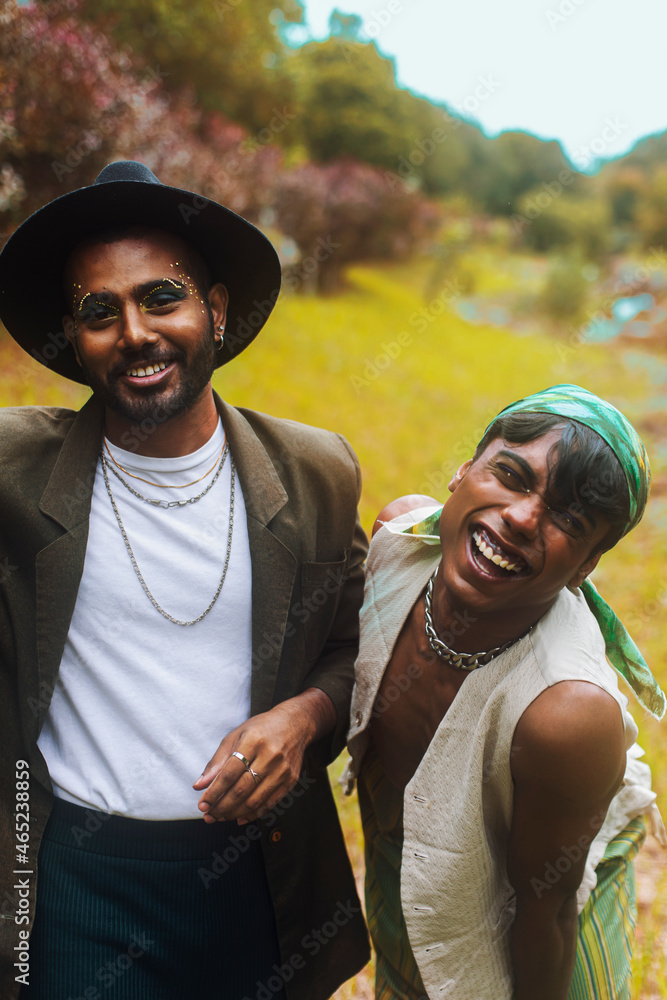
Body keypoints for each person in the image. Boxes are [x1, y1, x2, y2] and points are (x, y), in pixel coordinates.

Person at [0, 160, 369, 1000]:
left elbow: (360, 646)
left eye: (161, 297)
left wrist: (305, 717)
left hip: (253, 878)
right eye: (100, 312)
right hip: (72, 881)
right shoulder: (15, 470)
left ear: (216, 309)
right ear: (73, 335)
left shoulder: (312, 472)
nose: (135, 332)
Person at [346, 385, 665, 1000]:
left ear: (585, 568)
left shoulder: (565, 715)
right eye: (510, 475)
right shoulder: (398, 545)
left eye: (569, 520)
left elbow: (545, 910)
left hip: (555, 872)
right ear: (464, 471)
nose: (521, 517)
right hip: (418, 824)